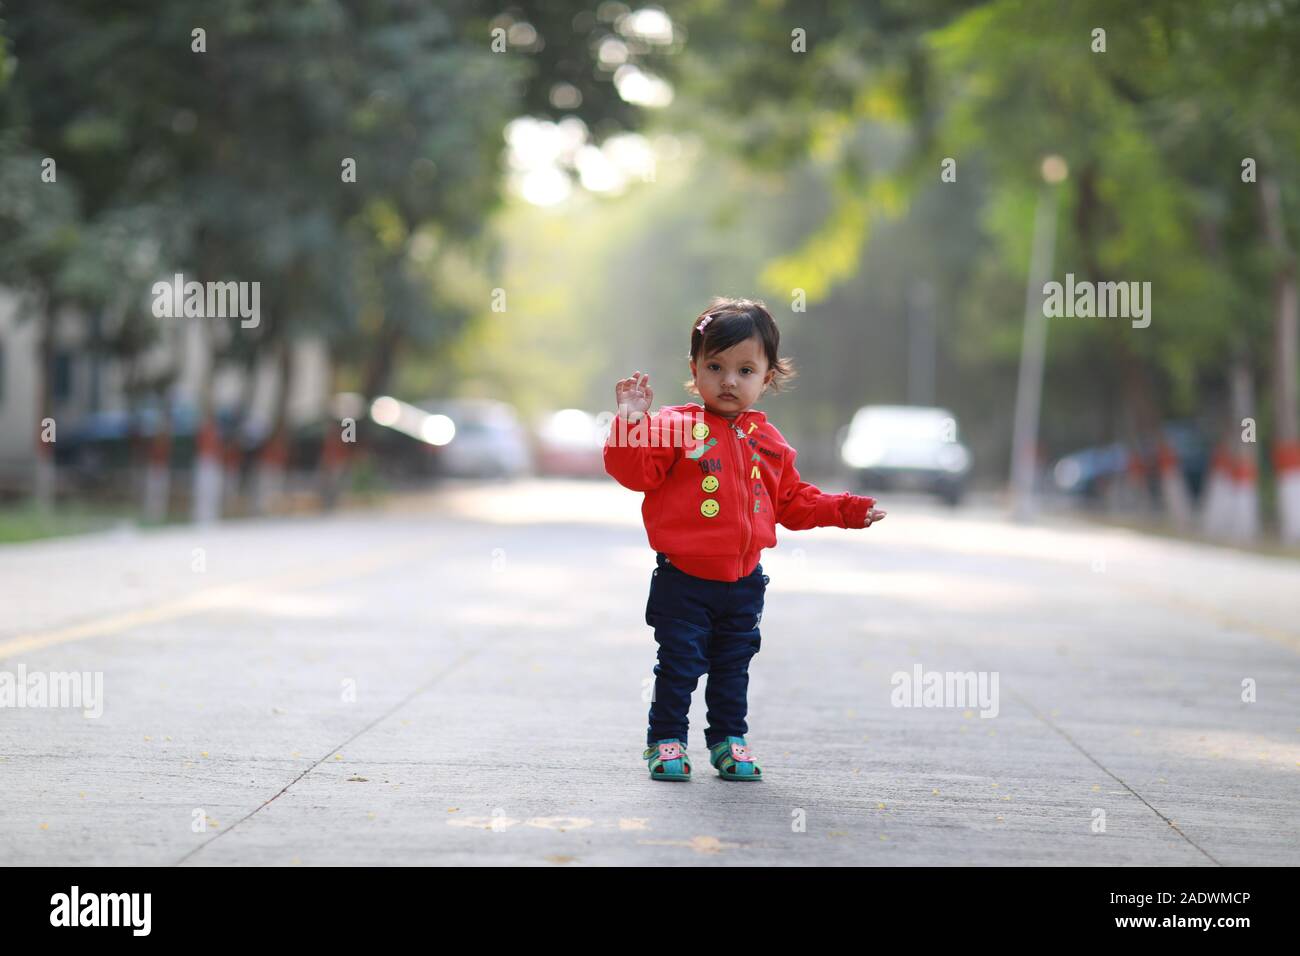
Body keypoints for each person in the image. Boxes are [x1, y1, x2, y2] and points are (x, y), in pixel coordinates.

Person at [604, 297, 886, 782]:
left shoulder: (770, 443)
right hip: (685, 581)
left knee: (733, 668)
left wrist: (848, 510)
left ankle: (728, 741)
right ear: (694, 369)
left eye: (745, 369)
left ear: (768, 376)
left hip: (744, 582)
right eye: (715, 367)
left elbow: (795, 502)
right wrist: (631, 423)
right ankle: (666, 740)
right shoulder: (675, 427)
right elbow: (633, 473)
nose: (728, 380)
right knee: (679, 665)